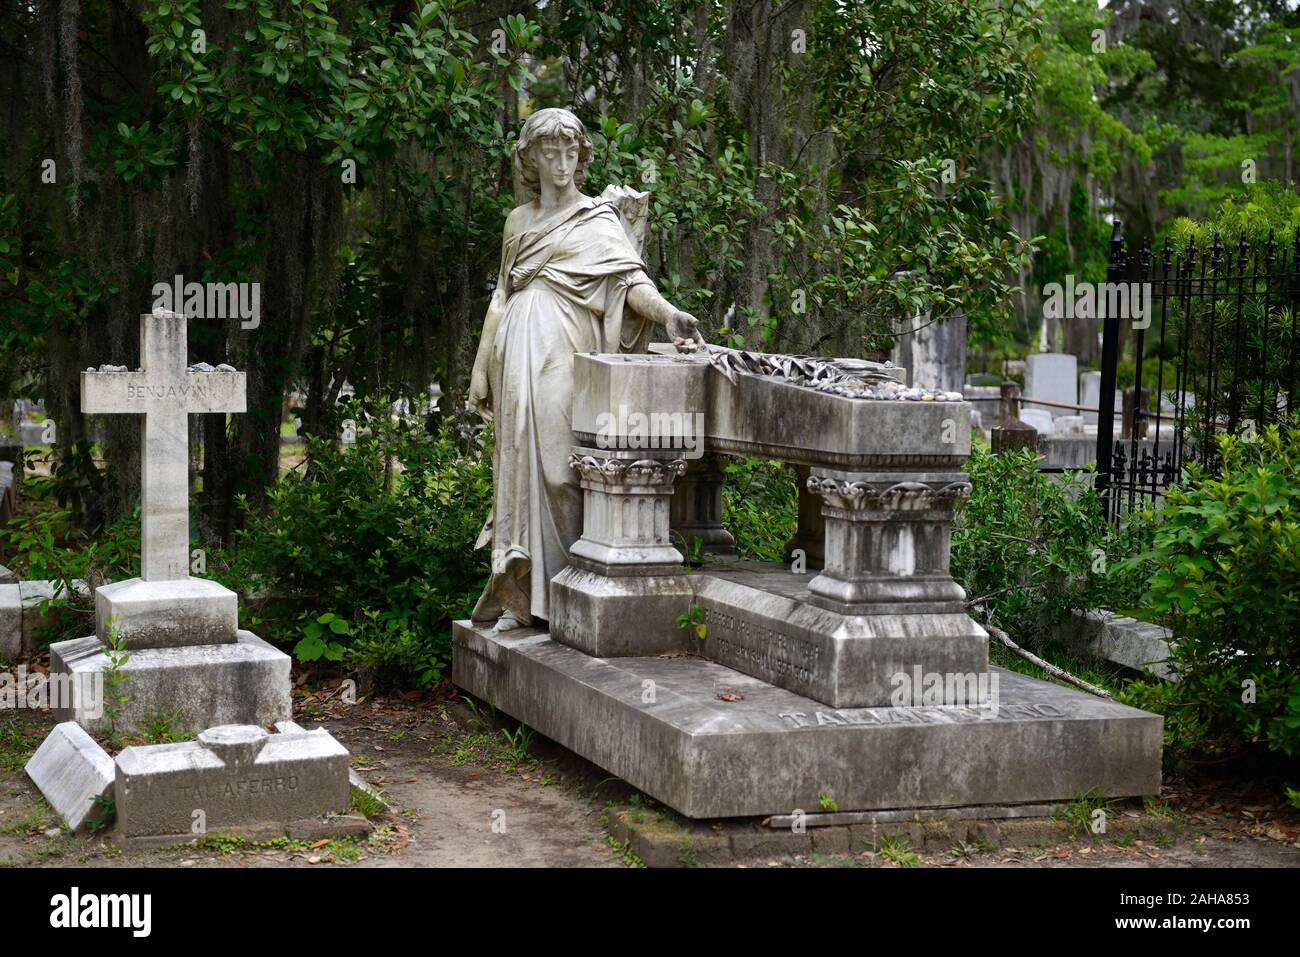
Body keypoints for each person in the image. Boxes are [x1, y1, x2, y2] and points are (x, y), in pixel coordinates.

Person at [467, 108, 704, 631]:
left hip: (564, 352)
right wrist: (480, 367)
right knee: (518, 466)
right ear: (529, 158)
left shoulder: (597, 219)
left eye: (571, 152)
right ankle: (523, 596)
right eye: (550, 152)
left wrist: (668, 315)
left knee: (558, 468)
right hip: (515, 358)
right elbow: (502, 297)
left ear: (582, 157)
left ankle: (568, 590)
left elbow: (628, 283)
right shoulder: (518, 222)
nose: (562, 163)